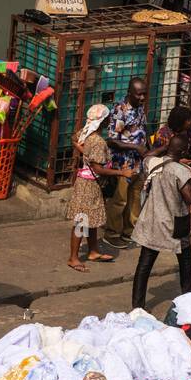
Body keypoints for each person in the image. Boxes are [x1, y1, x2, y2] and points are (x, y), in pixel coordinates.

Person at [131, 134, 191, 308]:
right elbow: (190, 198)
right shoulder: (182, 171)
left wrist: (164, 148)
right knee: (186, 259)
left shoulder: (153, 163)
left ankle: (137, 306)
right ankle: (188, 297)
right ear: (183, 152)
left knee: (144, 264)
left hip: (152, 221)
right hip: (175, 223)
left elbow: (146, 156)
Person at [66, 104, 135, 272]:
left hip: (87, 184)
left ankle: (93, 251)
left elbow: (74, 140)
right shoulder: (97, 141)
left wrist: (85, 153)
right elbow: (98, 169)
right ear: (103, 121)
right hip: (88, 186)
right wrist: (122, 173)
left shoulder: (86, 132)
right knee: (82, 221)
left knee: (91, 220)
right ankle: (73, 258)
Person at [104, 78, 149, 248]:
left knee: (135, 197)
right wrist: (135, 147)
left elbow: (143, 129)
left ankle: (129, 231)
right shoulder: (119, 110)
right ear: (130, 93)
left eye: (144, 94)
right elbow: (112, 141)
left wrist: (146, 150)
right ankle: (112, 233)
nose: (143, 97)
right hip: (123, 163)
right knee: (120, 199)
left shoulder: (139, 108)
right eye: (139, 94)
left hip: (138, 162)